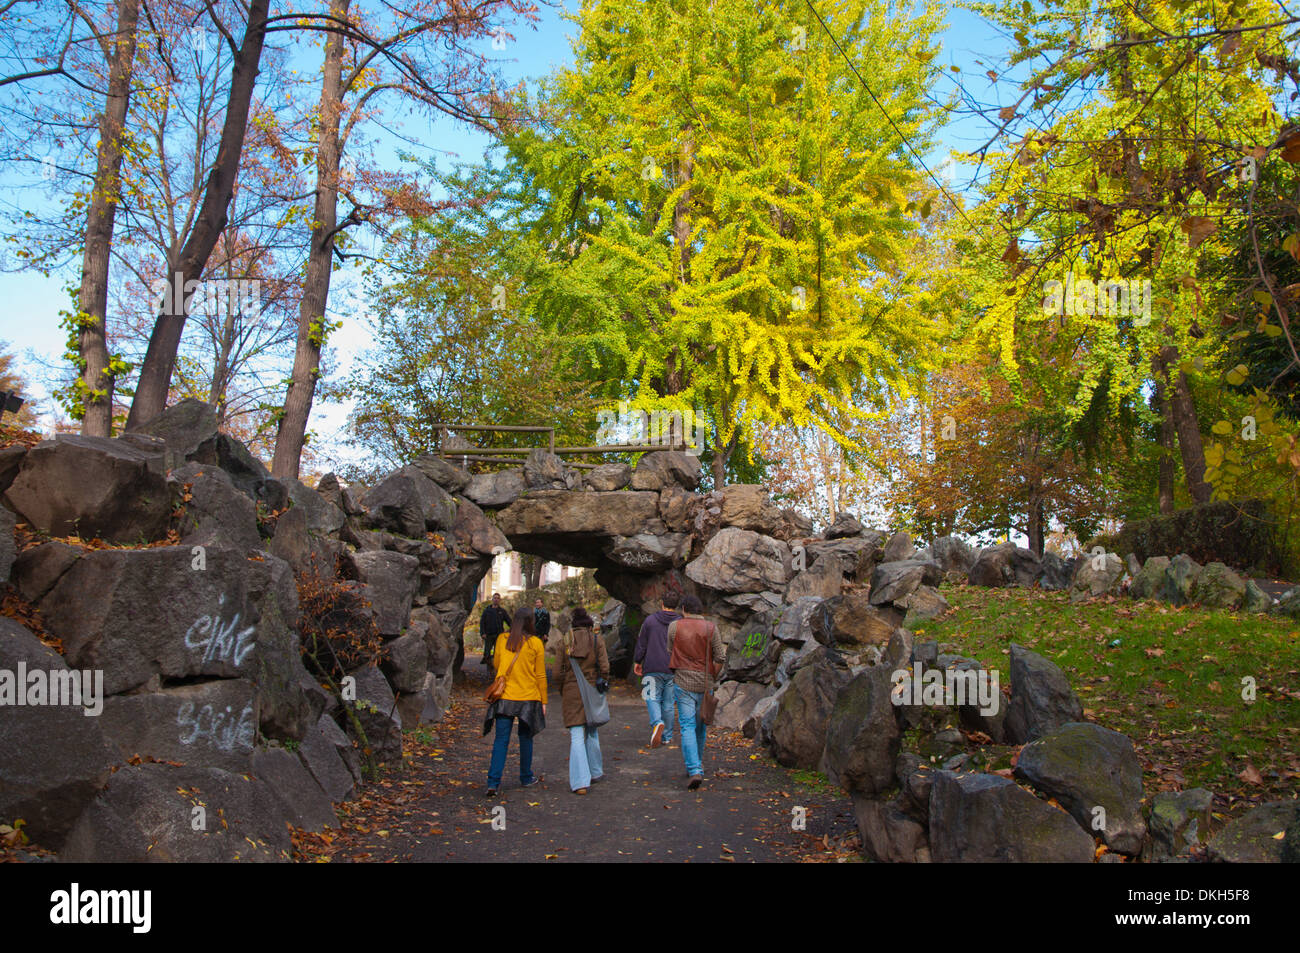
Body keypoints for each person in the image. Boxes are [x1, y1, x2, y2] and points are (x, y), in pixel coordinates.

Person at [482, 607, 547, 796]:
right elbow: (540, 674)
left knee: (501, 740)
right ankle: (526, 777)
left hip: (505, 697)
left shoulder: (503, 639)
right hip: (528, 697)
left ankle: (493, 782)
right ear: (530, 622)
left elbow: (496, 664)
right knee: (525, 739)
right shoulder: (535, 643)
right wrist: (544, 701)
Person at [666, 594, 724, 791]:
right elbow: (720, 656)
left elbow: (669, 650)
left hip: (683, 681)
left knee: (687, 725)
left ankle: (694, 769)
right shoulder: (711, 628)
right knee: (701, 726)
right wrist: (712, 676)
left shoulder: (675, 627)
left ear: (683, 609)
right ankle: (697, 765)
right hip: (705, 681)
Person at [554, 606, 609, 795]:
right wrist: (601, 682)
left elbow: (556, 673)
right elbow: (605, 667)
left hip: (571, 690)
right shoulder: (596, 640)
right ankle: (596, 772)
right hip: (592, 687)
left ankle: (580, 782)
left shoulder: (565, 641)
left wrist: (563, 687)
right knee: (592, 730)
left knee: (577, 734)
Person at [633, 591, 682, 748]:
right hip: (673, 668)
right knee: (668, 703)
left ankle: (657, 722)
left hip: (652, 667)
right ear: (677, 606)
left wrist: (637, 661)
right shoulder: (681, 622)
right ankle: (667, 736)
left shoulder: (650, 620)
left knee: (650, 697)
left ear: (662, 603)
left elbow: (642, 643)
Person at [479, 593, 509, 669]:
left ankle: (496, 668)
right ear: (492, 599)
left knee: (497, 653)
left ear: (499, 600)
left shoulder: (502, 611)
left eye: (498, 598)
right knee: (487, 653)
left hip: (499, 635)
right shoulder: (487, 611)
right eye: (495, 598)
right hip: (488, 635)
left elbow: (509, 621)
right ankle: (489, 666)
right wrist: (482, 633)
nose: (496, 599)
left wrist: (513, 629)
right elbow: (482, 623)